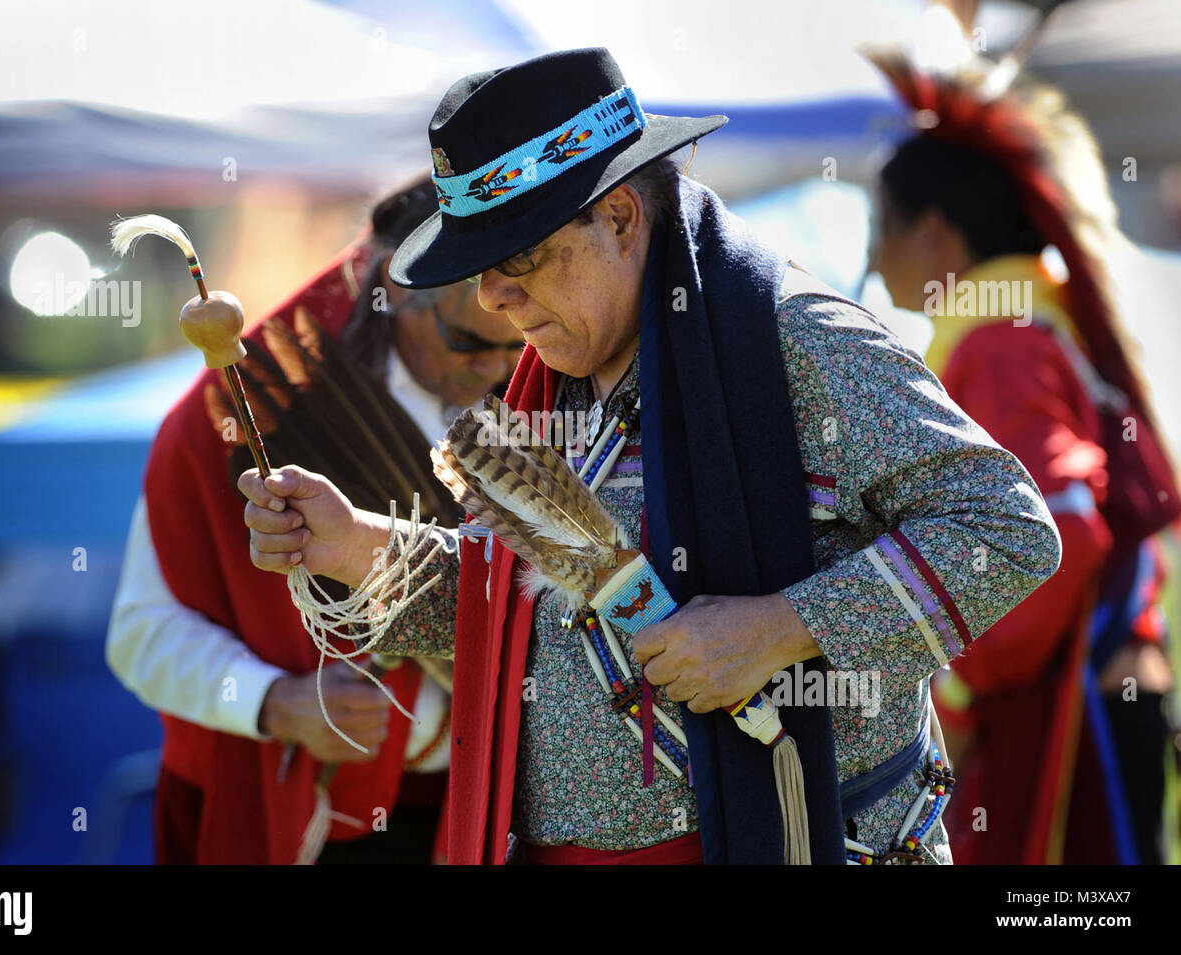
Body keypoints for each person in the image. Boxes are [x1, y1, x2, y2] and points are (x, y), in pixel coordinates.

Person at [238, 47, 1062, 865]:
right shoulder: (555, 381)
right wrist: (356, 547)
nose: (492, 297)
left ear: (622, 217)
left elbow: (1007, 525)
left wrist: (780, 629)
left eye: (517, 258)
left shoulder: (795, 343)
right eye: (480, 271)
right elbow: (538, 608)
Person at [107, 174, 524, 864]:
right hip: (300, 819)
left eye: (515, 346)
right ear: (395, 288)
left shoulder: (538, 383)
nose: (496, 368)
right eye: (470, 341)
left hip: (472, 807)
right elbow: (140, 632)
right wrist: (276, 700)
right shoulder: (241, 413)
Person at [868, 50, 1180, 864]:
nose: (871, 258)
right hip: (1088, 699)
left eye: (882, 226)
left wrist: (959, 692)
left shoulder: (1001, 347)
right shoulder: (1024, 327)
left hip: (1072, 721)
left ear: (934, 231)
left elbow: (1063, 529)